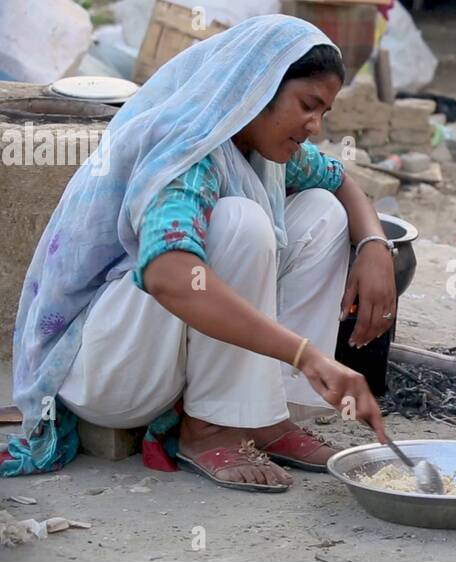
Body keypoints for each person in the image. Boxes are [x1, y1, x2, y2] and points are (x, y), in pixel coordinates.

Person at [3, 17, 394, 492]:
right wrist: (307, 355)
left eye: (324, 114)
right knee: (240, 223)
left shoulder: (259, 142)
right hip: (104, 370)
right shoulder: (184, 144)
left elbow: (340, 180)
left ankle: (266, 417)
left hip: (152, 349)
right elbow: (168, 274)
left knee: (322, 213)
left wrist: (375, 247)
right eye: (308, 106)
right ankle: (208, 426)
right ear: (257, 86)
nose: (313, 127)